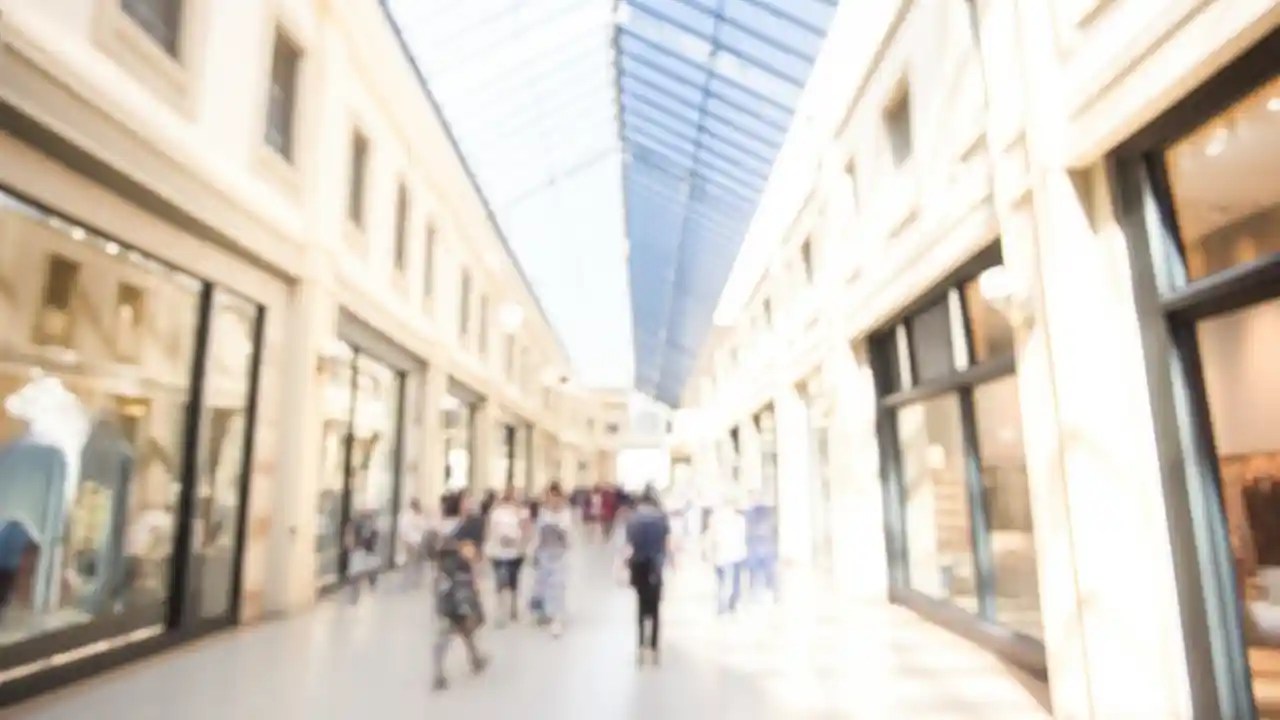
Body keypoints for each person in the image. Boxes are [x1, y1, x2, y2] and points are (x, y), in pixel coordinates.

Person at [428, 492, 489, 691]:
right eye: (465, 502)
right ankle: (439, 671)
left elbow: (429, 552)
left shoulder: (437, 528)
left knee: (457, 621)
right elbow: (473, 557)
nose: (469, 505)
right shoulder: (463, 529)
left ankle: (474, 657)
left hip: (443, 581)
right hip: (460, 582)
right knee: (461, 621)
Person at [625, 486, 670, 666]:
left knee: (641, 605)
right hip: (656, 565)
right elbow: (667, 542)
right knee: (655, 607)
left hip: (638, 565)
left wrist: (621, 565)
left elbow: (629, 545)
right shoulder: (661, 518)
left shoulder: (634, 518)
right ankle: (654, 646)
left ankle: (641, 645)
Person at [532, 482, 572, 636]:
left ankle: (557, 617)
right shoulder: (543, 512)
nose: (553, 500)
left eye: (556, 496)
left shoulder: (565, 513)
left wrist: (558, 530)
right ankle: (542, 612)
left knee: (557, 585)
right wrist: (534, 551)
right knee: (542, 584)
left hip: (559, 553)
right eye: (550, 496)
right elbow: (537, 534)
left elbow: (567, 534)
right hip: (544, 552)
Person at [485, 487, 529, 626]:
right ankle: (502, 611)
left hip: (515, 552)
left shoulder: (521, 512)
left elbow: (525, 530)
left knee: (513, 581)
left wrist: (523, 545)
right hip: (498, 552)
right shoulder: (496, 512)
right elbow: (490, 530)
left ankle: (512, 609)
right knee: (501, 581)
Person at [707, 499, 748, 615]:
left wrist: (710, 554)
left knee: (724, 582)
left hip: (723, 556)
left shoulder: (716, 519)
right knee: (731, 582)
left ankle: (724, 606)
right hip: (733, 555)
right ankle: (728, 605)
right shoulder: (739, 520)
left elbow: (712, 538)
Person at [345, 509, 381, 603]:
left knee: (358, 573)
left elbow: (372, 541)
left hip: (363, 552)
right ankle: (356, 595)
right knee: (357, 574)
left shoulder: (370, 527)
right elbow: (351, 539)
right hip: (360, 551)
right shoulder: (359, 525)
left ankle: (356, 595)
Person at [398, 498, 430, 589]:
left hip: (419, 542)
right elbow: (403, 530)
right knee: (412, 562)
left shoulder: (420, 515)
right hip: (412, 542)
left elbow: (425, 528)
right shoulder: (408, 516)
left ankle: (416, 582)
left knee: (419, 562)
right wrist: (406, 541)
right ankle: (410, 581)